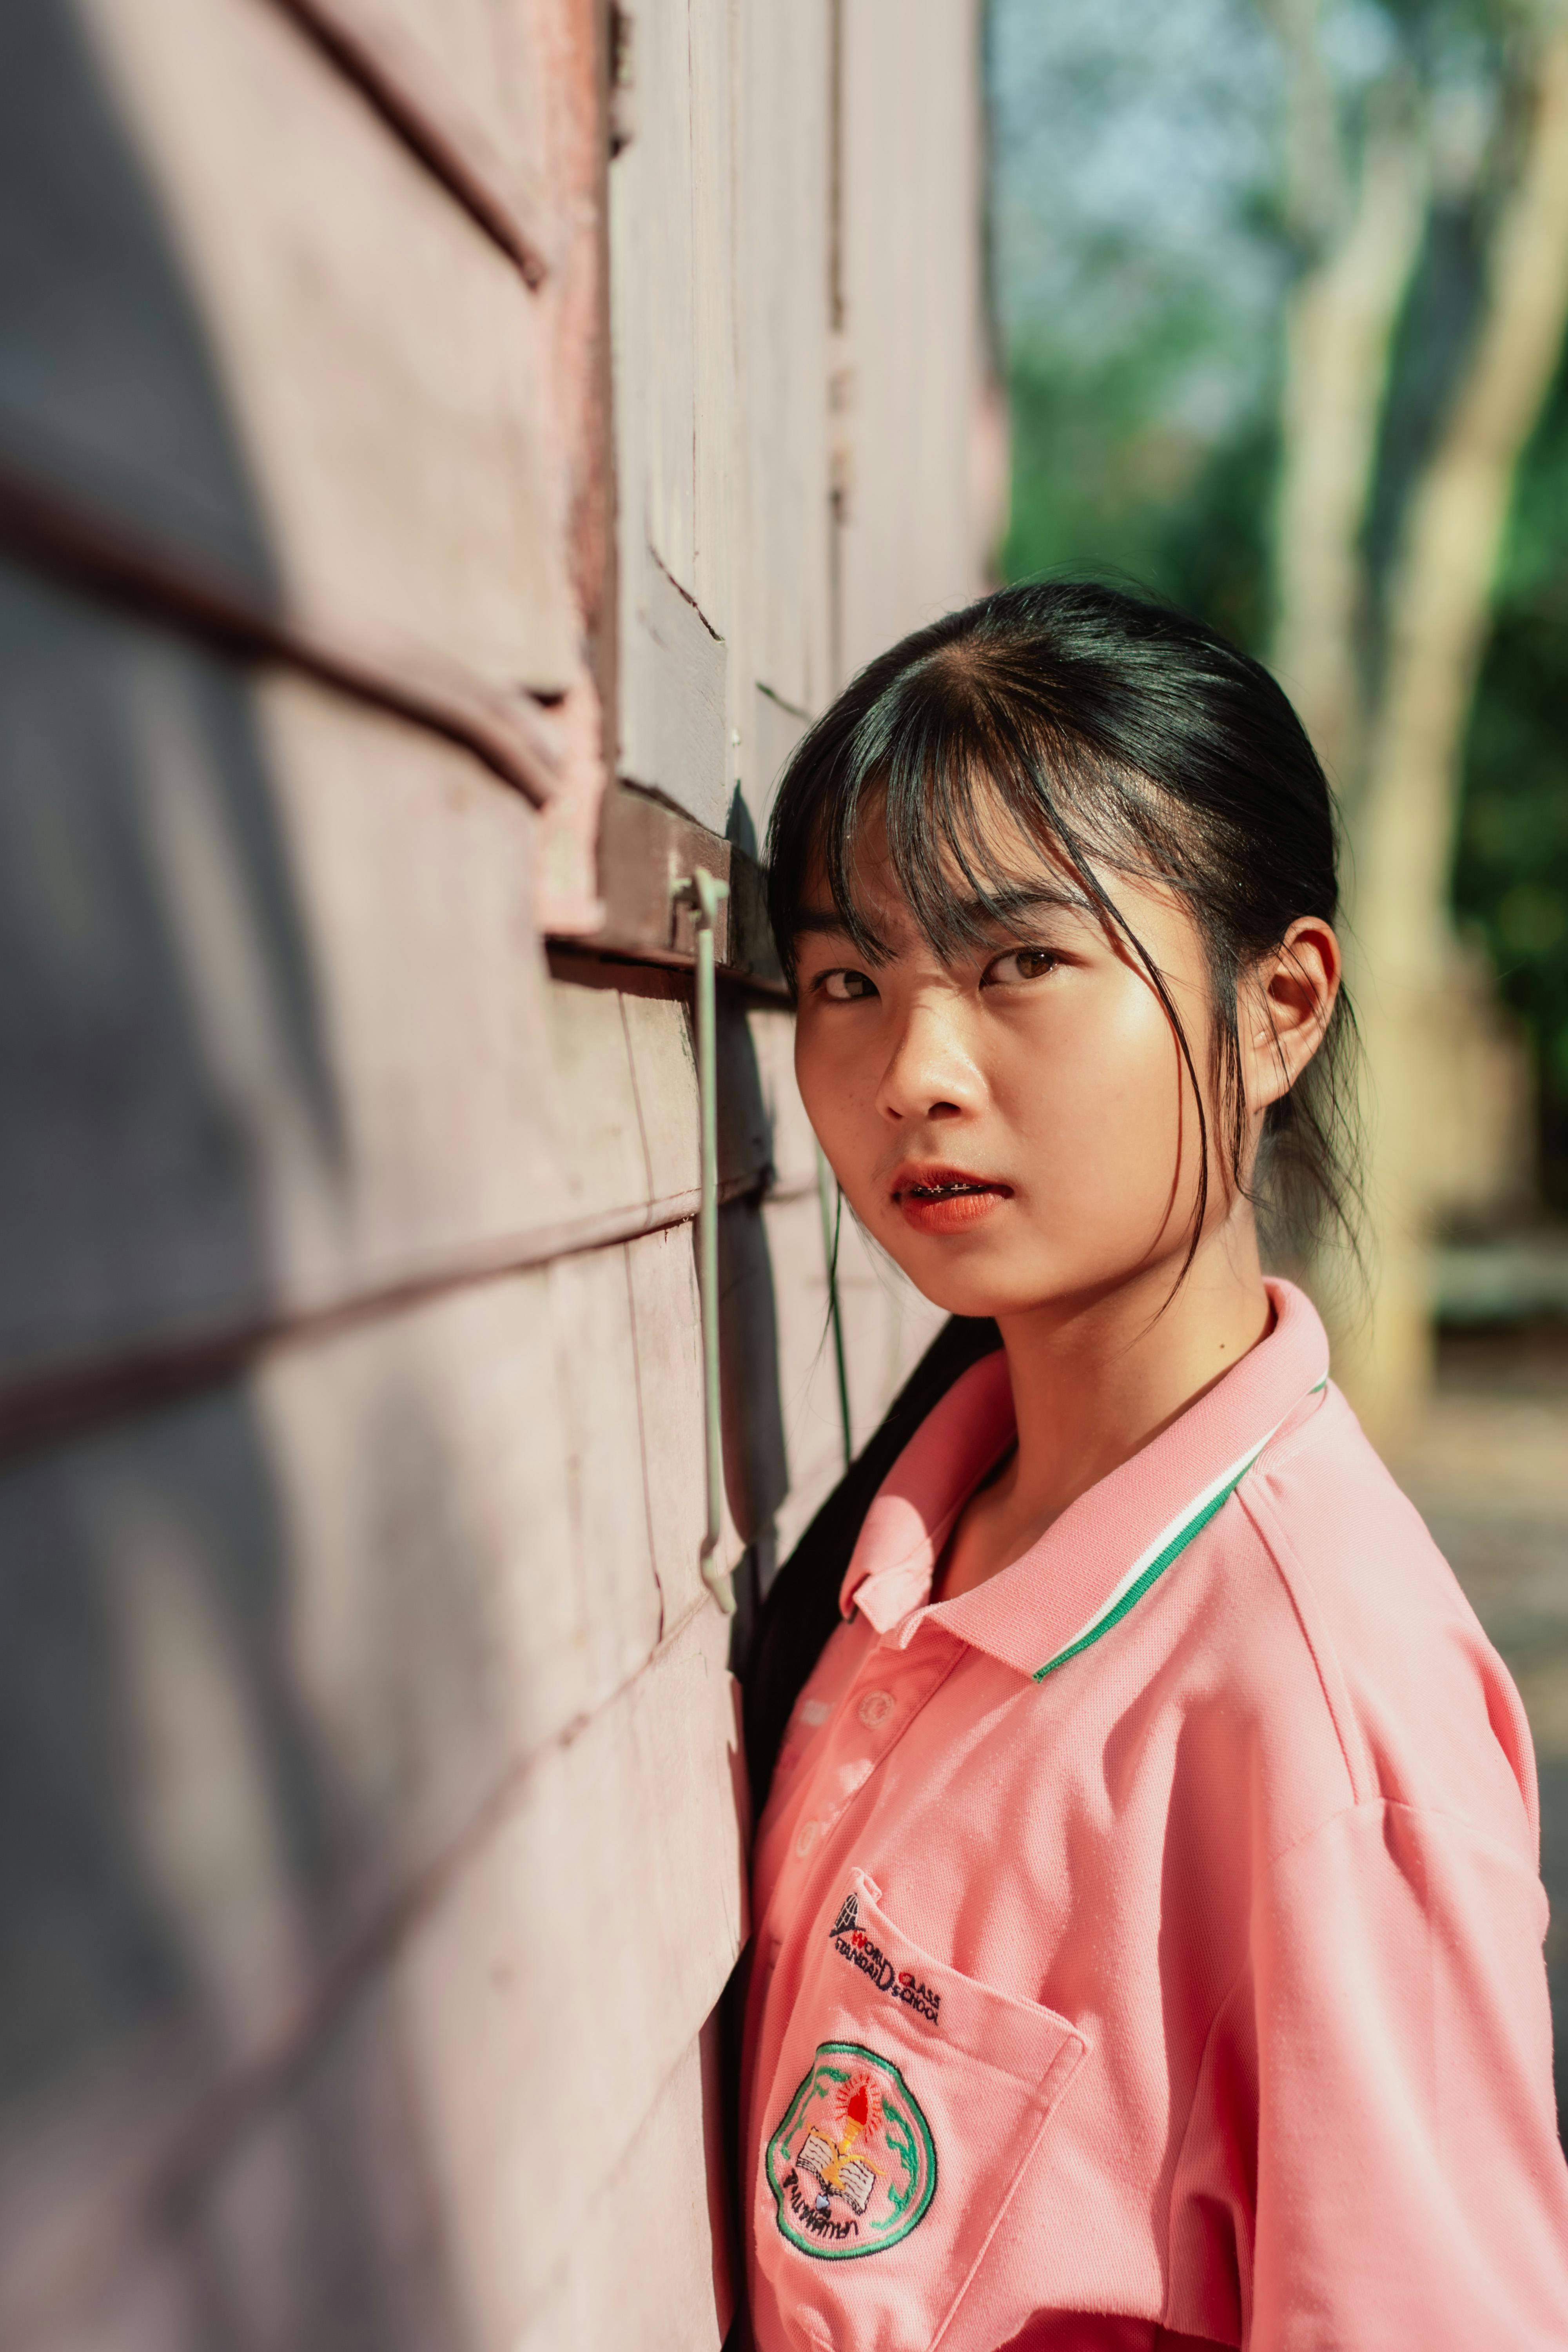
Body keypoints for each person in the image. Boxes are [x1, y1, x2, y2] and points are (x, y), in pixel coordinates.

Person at [737, 582, 1568, 2350]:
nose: (913, 1070)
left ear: (1279, 1008)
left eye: (1021, 962)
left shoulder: (1316, 1701)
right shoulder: (913, 1538)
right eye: (844, 980)